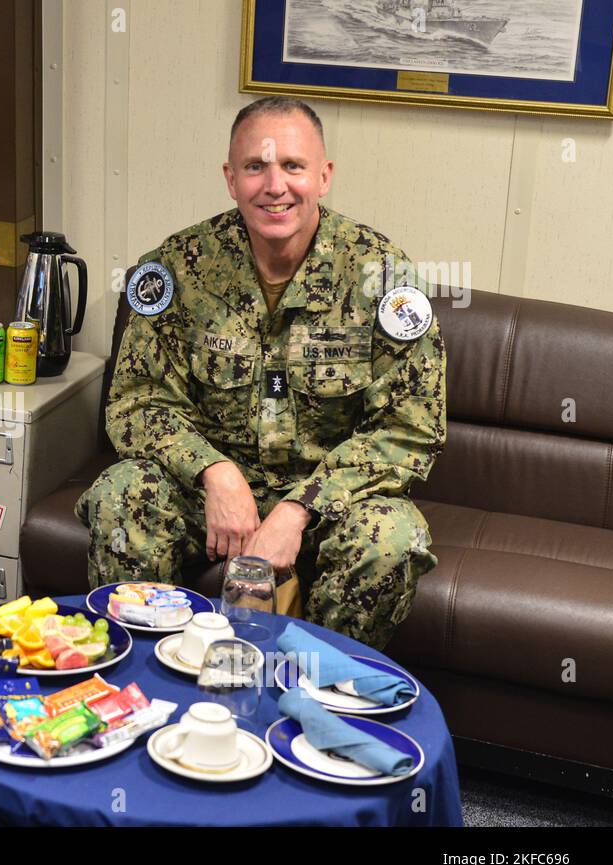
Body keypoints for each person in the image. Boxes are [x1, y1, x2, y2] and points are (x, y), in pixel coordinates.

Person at [78, 97, 446, 650]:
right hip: (207, 497)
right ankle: (145, 685)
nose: (275, 186)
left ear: (323, 176)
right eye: (256, 167)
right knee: (121, 493)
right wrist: (214, 473)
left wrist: (300, 510)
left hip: (331, 502)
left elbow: (409, 429)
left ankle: (316, 697)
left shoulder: (382, 276)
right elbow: (136, 403)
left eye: (293, 166)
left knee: (390, 537)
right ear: (231, 179)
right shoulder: (178, 267)